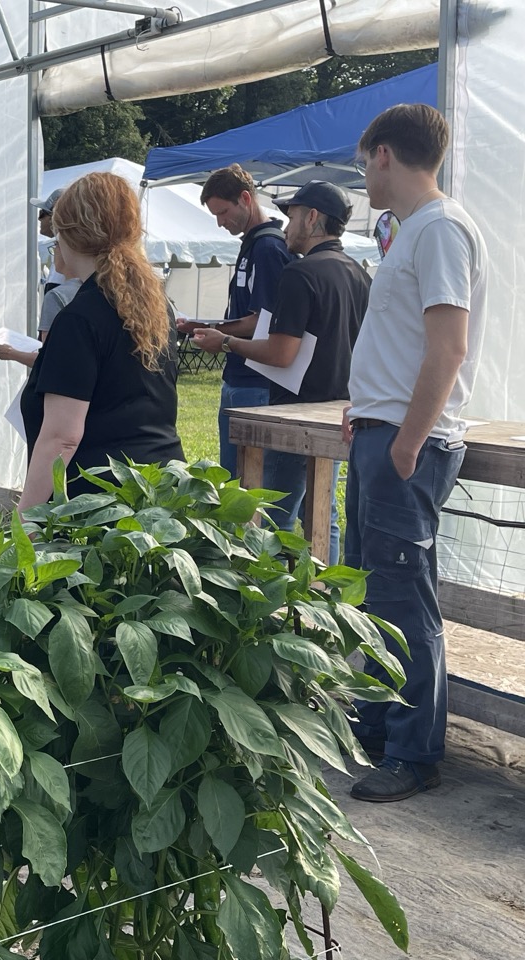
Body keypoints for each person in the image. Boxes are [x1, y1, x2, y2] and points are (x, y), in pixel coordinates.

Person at [343, 104, 486, 803]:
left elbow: (448, 346)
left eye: (365, 161)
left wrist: (404, 439)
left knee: (403, 595)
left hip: (409, 442)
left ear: (386, 156)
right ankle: (376, 722)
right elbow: (407, 344)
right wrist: (366, 409)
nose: (364, 175)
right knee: (375, 592)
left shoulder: (439, 230)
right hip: (383, 433)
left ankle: (414, 749)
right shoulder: (411, 233)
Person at [193, 180, 370, 563]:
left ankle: (272, 610)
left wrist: (224, 343)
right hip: (339, 408)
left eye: (290, 217)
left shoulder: (301, 274)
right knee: (325, 513)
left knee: (274, 516)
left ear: (312, 218)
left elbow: (281, 353)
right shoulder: (359, 273)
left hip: (296, 411)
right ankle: (325, 593)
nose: (285, 226)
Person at [18, 173, 183, 510]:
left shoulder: (79, 318)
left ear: (68, 234)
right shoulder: (154, 303)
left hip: (100, 506)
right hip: (160, 487)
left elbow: (62, 437)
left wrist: (25, 522)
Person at [181, 164, 292, 476]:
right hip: (240, 378)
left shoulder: (269, 248)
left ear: (246, 198)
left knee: (248, 483)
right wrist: (202, 327)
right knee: (234, 478)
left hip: (256, 382)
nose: (220, 223)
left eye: (223, 212)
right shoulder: (254, 244)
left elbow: (262, 321)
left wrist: (216, 333)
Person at [0, 240, 82, 368]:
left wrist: (11, 353)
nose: (53, 252)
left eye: (56, 245)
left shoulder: (56, 296)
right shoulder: (95, 288)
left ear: (68, 251)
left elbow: (50, 359)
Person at [31, 187, 65, 294]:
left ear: (53, 217)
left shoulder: (68, 256)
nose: (39, 219)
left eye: (42, 213)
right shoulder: (67, 252)